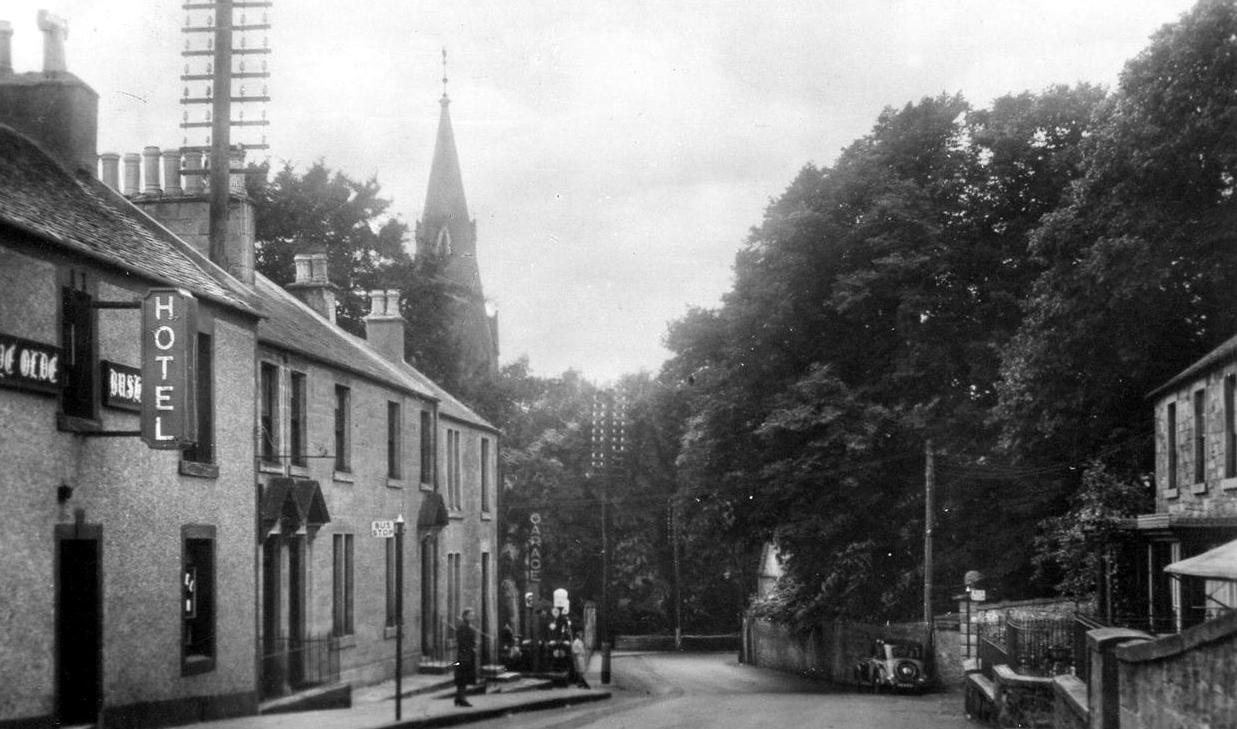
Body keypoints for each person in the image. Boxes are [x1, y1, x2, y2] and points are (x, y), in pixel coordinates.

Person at [454, 608, 477, 707]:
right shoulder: (463, 627)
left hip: (467, 655)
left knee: (464, 677)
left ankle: (459, 698)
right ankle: (462, 698)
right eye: (470, 615)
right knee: (463, 677)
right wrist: (471, 648)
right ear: (464, 616)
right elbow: (462, 642)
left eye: (472, 615)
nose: (472, 617)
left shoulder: (468, 627)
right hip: (464, 656)